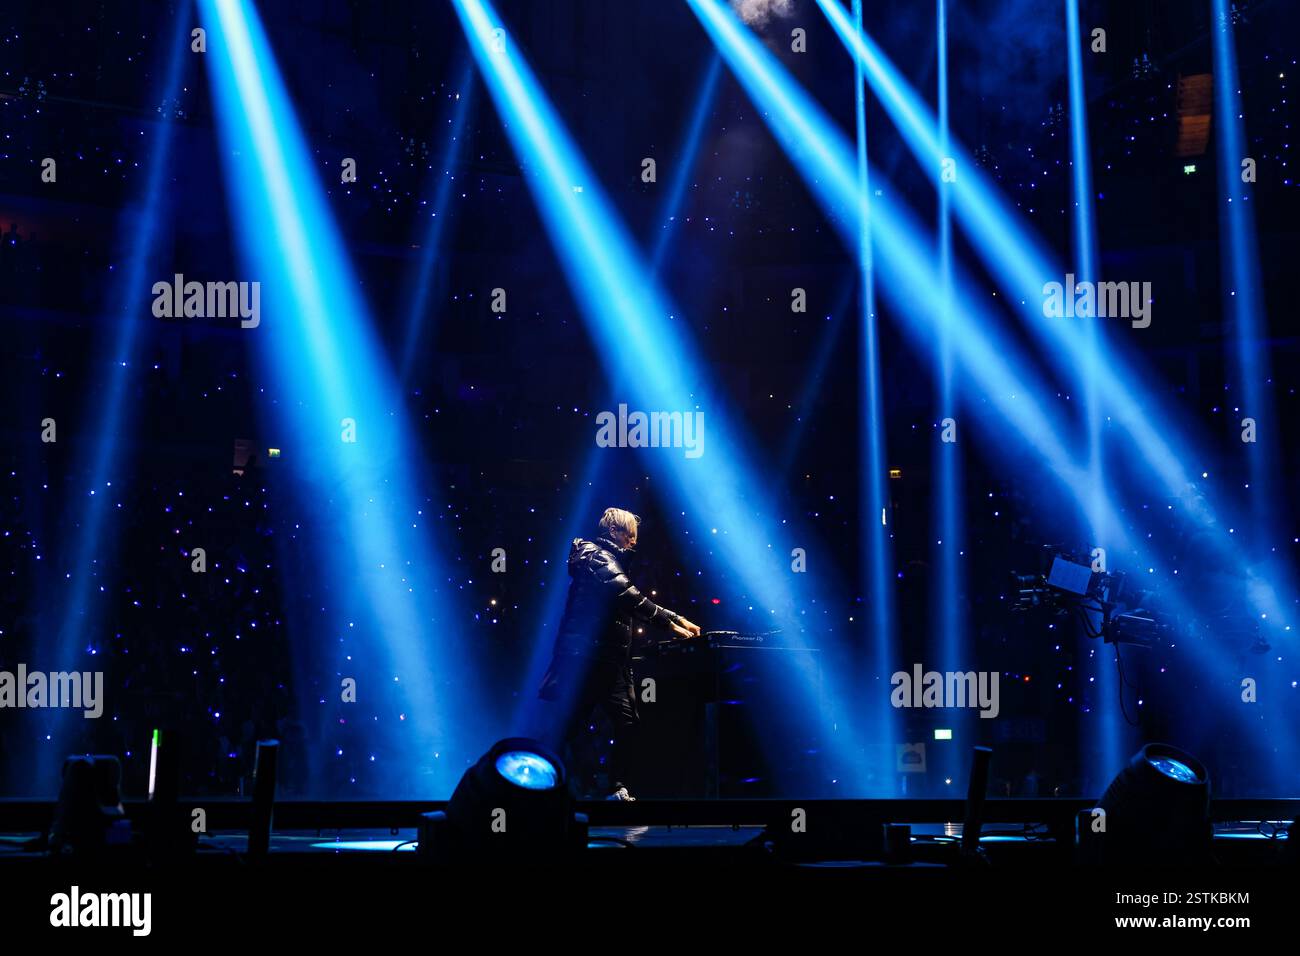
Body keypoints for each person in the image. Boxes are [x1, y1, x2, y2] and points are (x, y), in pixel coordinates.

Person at [538, 507, 699, 800]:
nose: (634, 541)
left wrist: (672, 619)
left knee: (624, 723)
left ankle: (616, 788)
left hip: (608, 660)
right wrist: (670, 620)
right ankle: (536, 781)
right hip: (587, 659)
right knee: (571, 727)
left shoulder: (609, 560)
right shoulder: (594, 555)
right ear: (614, 531)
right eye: (630, 534)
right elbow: (625, 594)